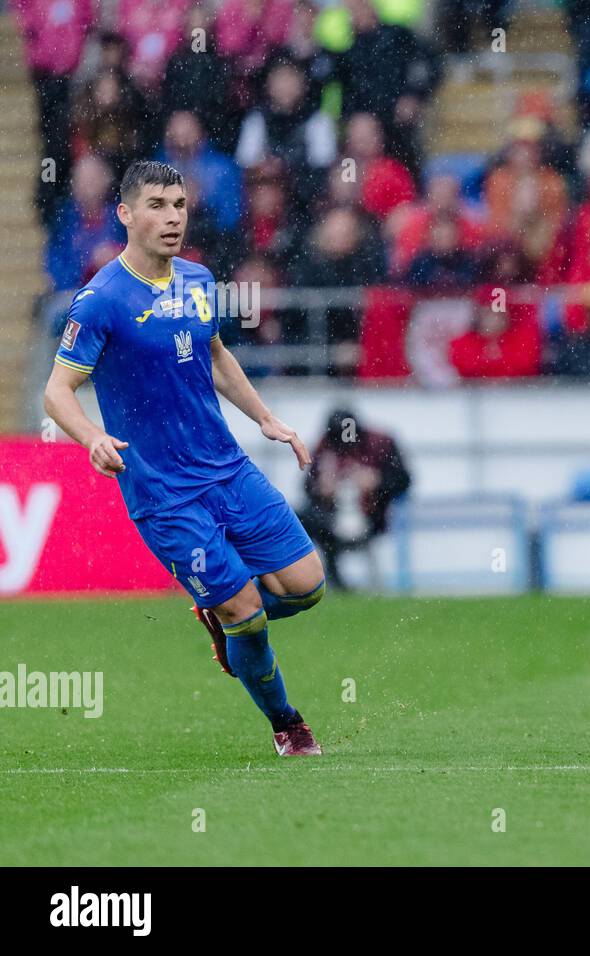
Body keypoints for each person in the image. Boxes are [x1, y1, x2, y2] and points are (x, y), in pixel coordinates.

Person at [42, 160, 326, 757]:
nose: (172, 217)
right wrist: (91, 436)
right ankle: (288, 723)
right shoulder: (99, 301)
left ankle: (221, 618)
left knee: (307, 585)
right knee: (247, 612)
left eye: (179, 205)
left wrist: (265, 418)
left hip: (227, 469)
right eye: (157, 205)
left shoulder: (198, 280)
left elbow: (217, 356)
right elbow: (56, 391)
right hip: (163, 491)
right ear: (125, 214)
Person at [298, 409, 412, 590]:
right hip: (331, 517)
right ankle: (314, 580)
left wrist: (377, 481)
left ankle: (331, 580)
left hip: (373, 514)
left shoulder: (381, 443)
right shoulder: (324, 446)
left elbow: (403, 480)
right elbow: (308, 487)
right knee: (302, 518)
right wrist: (322, 488)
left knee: (314, 521)